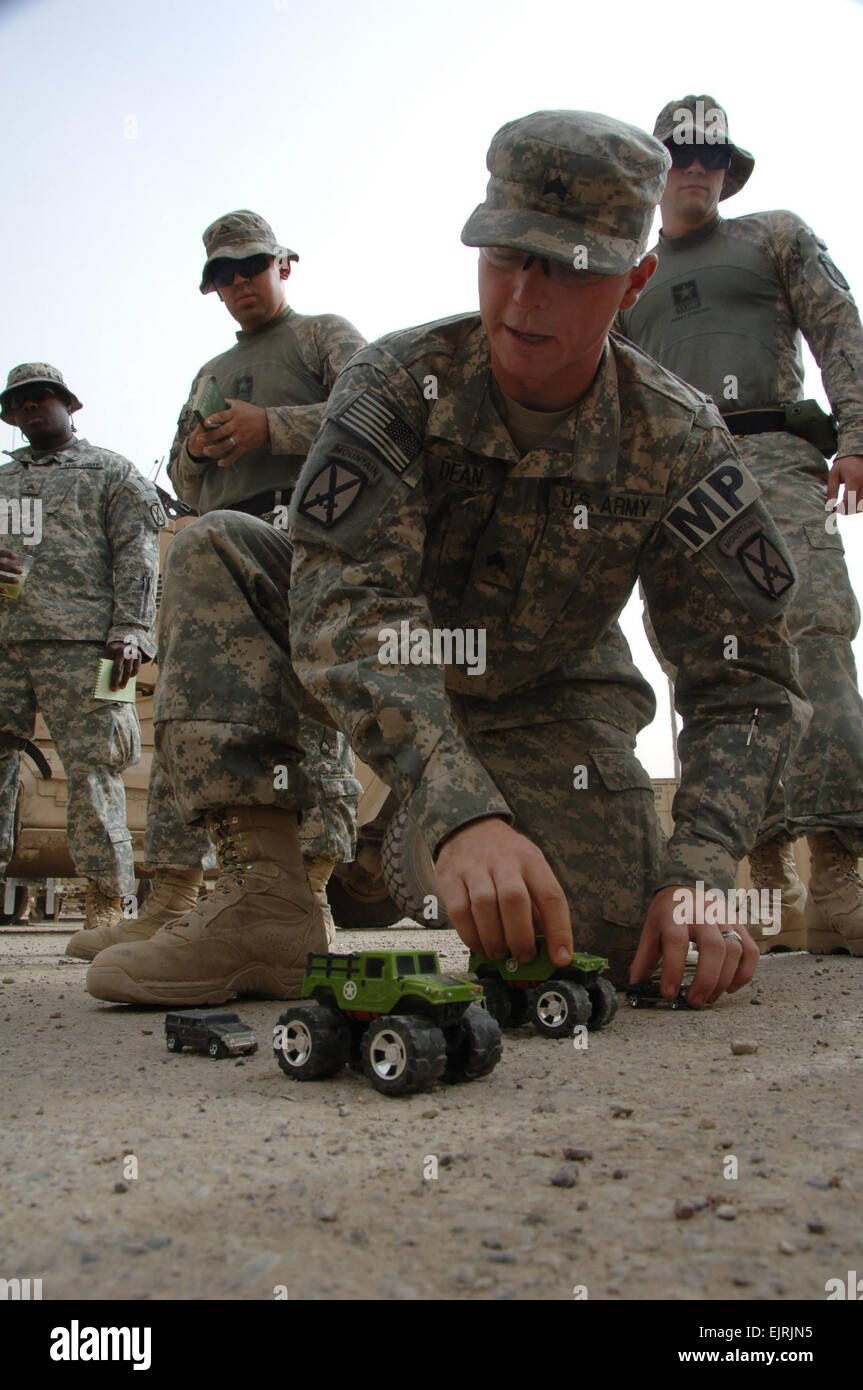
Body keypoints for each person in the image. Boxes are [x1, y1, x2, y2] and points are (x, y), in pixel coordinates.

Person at [284, 109, 809, 1008]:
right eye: (505, 258)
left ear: (634, 280)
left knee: (605, 943)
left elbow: (745, 678)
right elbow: (346, 608)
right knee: (223, 561)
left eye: (568, 270)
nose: (524, 299)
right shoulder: (396, 381)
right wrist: (461, 808)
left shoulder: (678, 439)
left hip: (547, 695)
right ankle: (260, 899)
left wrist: (702, 869)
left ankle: (437, 850)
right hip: (387, 665)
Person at [83, 212, 365, 1002]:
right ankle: (180, 897)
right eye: (221, 275)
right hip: (217, 548)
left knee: (309, 723)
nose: (238, 284)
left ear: (285, 264)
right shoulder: (210, 369)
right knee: (198, 708)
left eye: (251, 267)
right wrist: (200, 454)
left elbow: (382, 417)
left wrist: (271, 426)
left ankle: (300, 896)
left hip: (307, 539)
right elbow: (189, 477)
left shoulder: (320, 338)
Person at [618, 95, 863, 957]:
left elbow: (839, 330)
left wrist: (857, 436)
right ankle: (765, 879)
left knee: (813, 639)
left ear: (727, 167)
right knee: (713, 668)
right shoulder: (628, 279)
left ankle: (838, 869)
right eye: (678, 152)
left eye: (710, 153)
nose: (694, 166)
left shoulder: (772, 236)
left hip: (774, 462)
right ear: (654, 168)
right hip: (678, 484)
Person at [0, 363, 162, 933]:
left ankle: (107, 901)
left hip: (91, 647)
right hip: (4, 645)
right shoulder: (0, 481)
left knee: (96, 770)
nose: (31, 408)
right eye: (19, 403)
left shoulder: (111, 473)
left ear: (71, 405)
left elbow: (139, 556)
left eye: (43, 398)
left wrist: (133, 631)